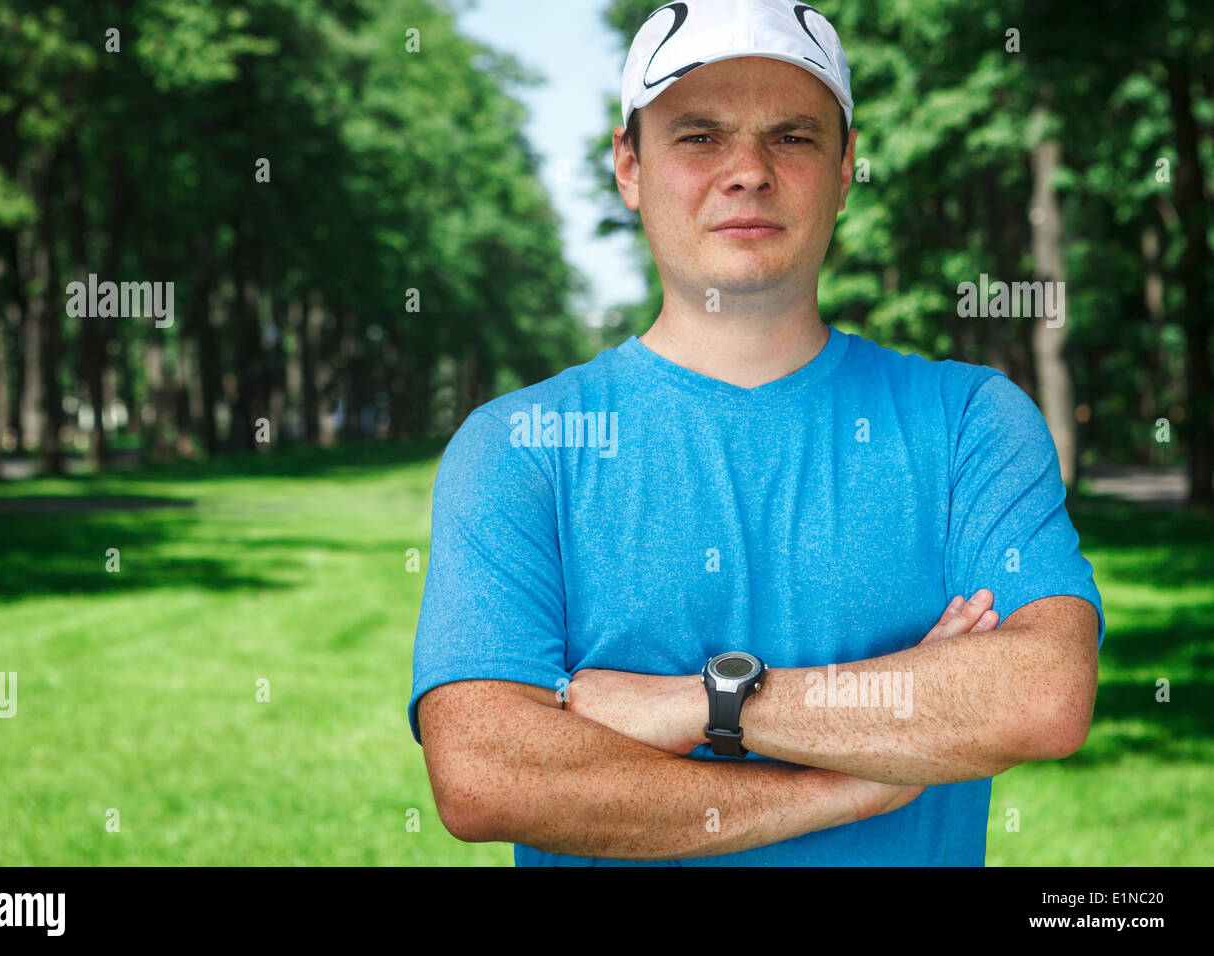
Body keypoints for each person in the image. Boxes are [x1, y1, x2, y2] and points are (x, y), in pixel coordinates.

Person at [407, 0, 1105, 866]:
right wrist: (844, 782)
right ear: (628, 165)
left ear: (847, 167)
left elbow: (1041, 692)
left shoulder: (970, 421)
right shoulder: (520, 445)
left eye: (794, 137)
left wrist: (701, 706)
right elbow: (485, 773)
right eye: (699, 136)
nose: (748, 171)